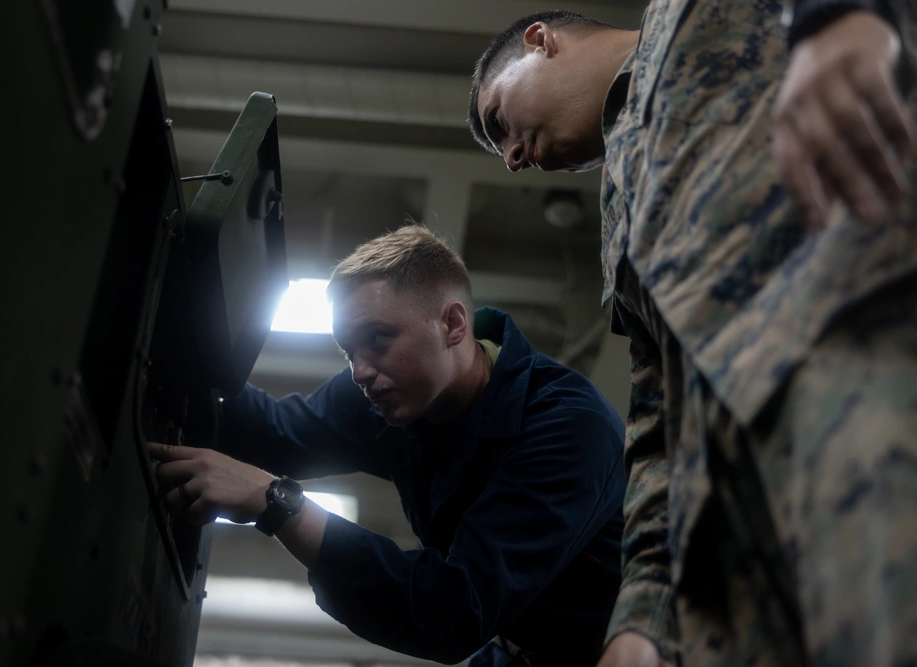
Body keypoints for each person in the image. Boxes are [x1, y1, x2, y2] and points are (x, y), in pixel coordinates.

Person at [468, 3, 917, 667]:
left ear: (541, 42)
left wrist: (848, 14)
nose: (510, 158)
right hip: (740, 558)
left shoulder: (691, 11)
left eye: (500, 121)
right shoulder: (622, 212)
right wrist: (640, 618)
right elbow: (657, 432)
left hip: (872, 419)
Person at [149, 225, 626, 666]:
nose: (358, 370)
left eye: (377, 339)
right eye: (348, 350)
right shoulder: (388, 393)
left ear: (454, 325)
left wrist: (277, 502)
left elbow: (453, 610)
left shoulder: (566, 430)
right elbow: (275, 432)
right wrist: (173, 361)